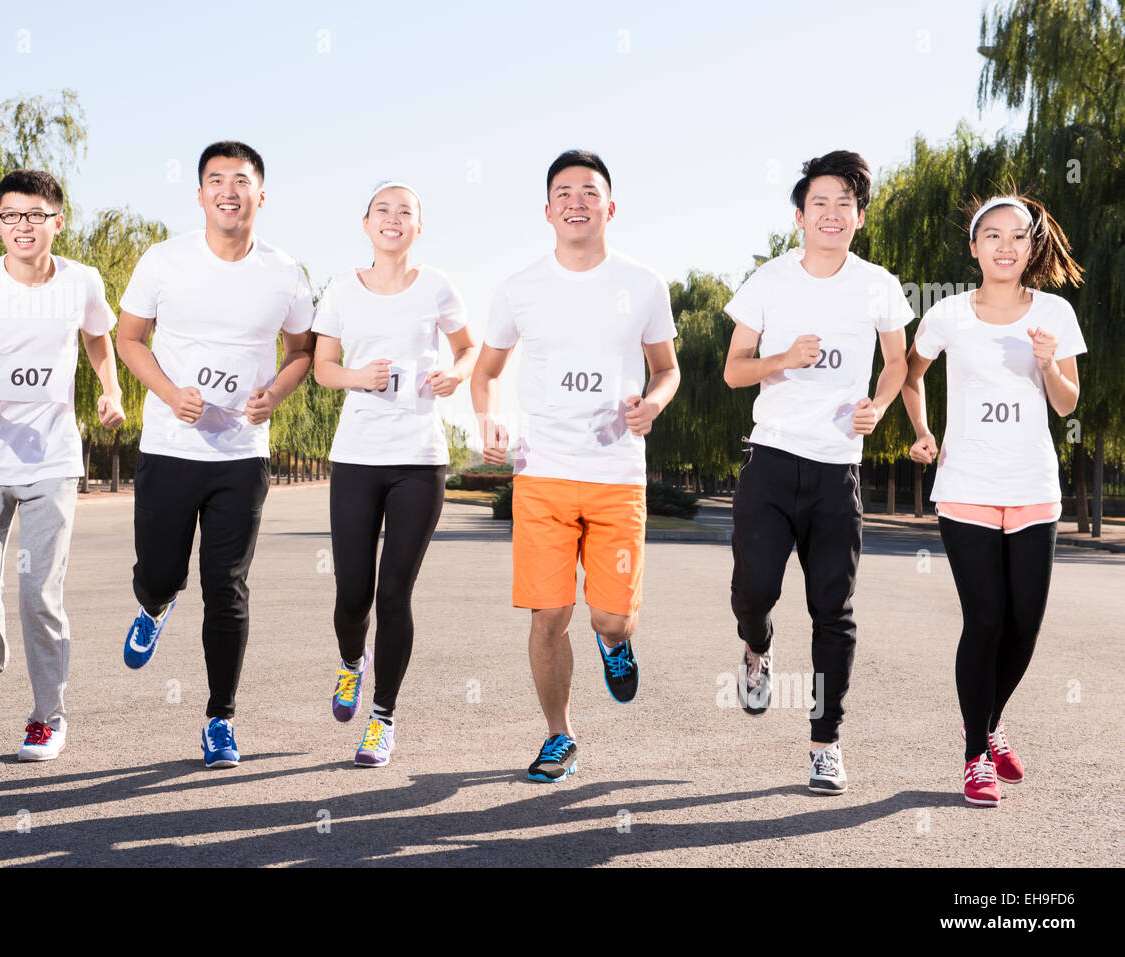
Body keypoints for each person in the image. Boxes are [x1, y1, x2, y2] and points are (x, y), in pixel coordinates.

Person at [471, 149, 680, 783]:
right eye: (564, 193)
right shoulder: (519, 288)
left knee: (609, 617)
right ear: (547, 211)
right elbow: (484, 373)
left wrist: (653, 405)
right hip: (542, 473)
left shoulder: (643, 284)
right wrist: (488, 420)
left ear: (609, 207)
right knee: (549, 615)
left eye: (588, 192)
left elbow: (667, 368)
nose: (576, 201)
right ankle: (559, 736)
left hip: (618, 474)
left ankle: (615, 645)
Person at [115, 141, 314, 769]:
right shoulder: (164, 260)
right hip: (170, 448)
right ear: (200, 194)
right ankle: (153, 604)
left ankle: (220, 718)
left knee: (226, 587)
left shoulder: (284, 272)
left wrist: (274, 395)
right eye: (216, 180)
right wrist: (170, 394)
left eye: (242, 180)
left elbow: (304, 351)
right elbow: (128, 338)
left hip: (241, 456)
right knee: (161, 572)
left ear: (261, 193)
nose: (229, 190)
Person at [722, 150, 912, 794]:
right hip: (771, 459)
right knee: (755, 591)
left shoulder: (879, 284)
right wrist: (782, 358)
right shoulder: (768, 281)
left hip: (838, 471)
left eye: (844, 204)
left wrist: (878, 408)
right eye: (819, 204)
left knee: (834, 610)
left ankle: (825, 742)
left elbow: (897, 363)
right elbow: (733, 370)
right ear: (799, 215)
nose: (831, 214)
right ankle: (756, 646)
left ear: (859, 216)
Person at [901, 193, 1085, 807]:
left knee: (1023, 627)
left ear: (1032, 248)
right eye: (993, 235)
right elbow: (911, 373)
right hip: (967, 488)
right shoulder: (948, 314)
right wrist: (924, 432)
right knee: (984, 620)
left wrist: (1049, 364)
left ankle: (985, 719)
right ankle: (975, 754)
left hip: (1033, 487)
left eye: (1018, 237)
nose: (1006, 246)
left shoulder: (1055, 313)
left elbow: (1066, 404)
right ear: (975, 246)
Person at [0, 168, 126, 761]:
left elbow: (99, 338)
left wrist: (110, 389)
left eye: (35, 215)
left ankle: (49, 716)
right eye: (11, 215)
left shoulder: (83, 281)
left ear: (57, 221)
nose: (23, 225)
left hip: (53, 458)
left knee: (38, 594)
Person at [311, 181, 476, 767]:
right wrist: (359, 378)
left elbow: (469, 349)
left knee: (394, 592)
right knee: (352, 594)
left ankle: (382, 718)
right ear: (365, 223)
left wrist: (458, 374)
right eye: (383, 210)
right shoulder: (340, 290)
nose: (393, 219)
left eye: (405, 212)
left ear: (418, 227)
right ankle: (351, 663)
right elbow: (322, 368)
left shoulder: (437, 286)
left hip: (420, 459)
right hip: (356, 456)